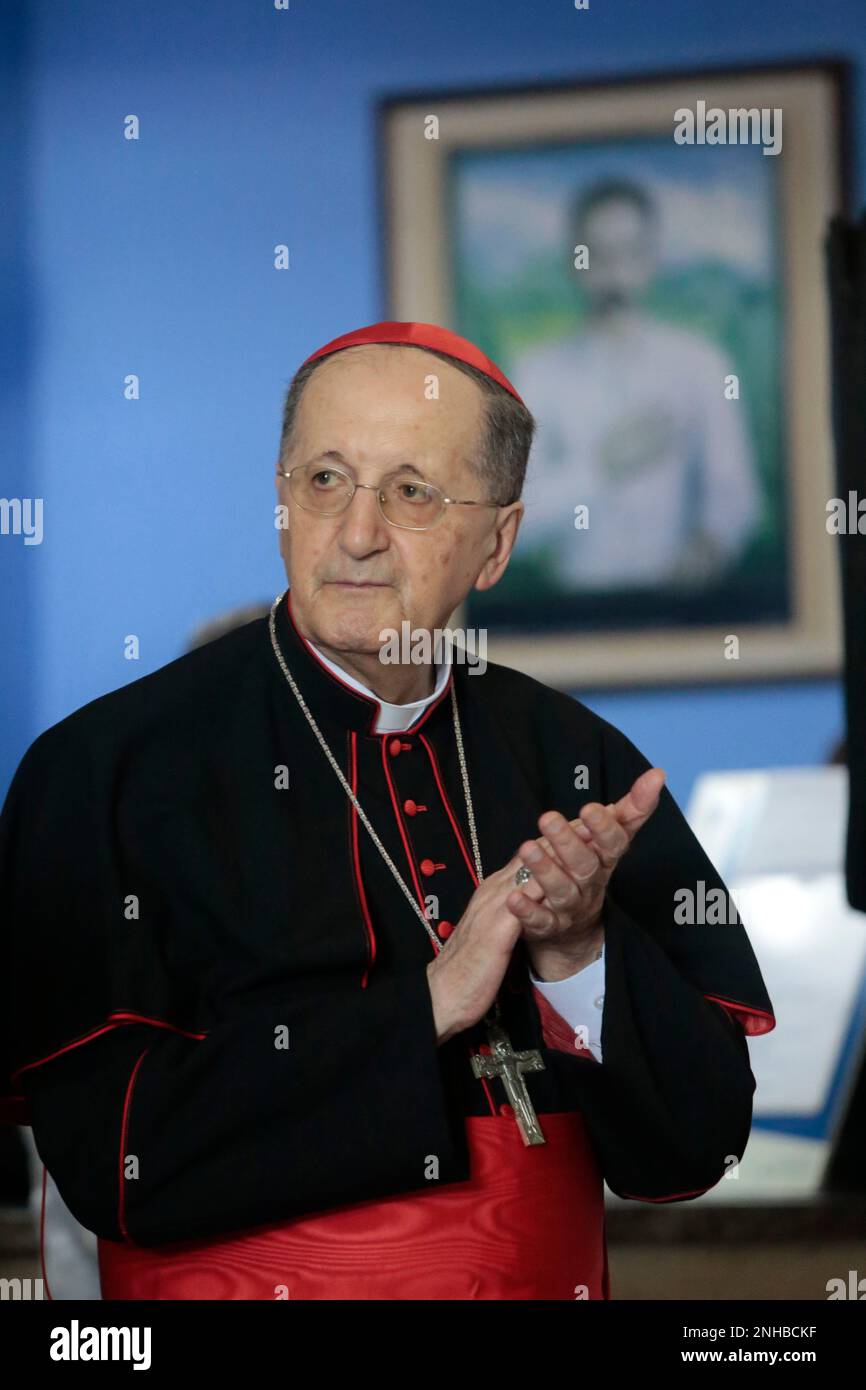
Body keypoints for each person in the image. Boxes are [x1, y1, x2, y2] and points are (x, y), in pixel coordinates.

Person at [0, 320, 775, 1301]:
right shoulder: (106, 768)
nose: (357, 532)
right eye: (324, 480)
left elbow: (692, 1149)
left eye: (411, 492)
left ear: (495, 543)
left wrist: (577, 955)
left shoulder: (572, 759)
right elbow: (112, 1159)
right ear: (280, 498)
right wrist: (424, 1010)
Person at [511, 179, 761, 591]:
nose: (614, 272)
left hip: (682, 609)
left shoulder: (701, 364)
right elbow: (515, 523)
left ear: (652, 258)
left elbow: (735, 498)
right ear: (574, 260)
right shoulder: (537, 373)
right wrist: (601, 467)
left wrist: (701, 560)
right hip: (573, 615)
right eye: (597, 254)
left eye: (629, 252)